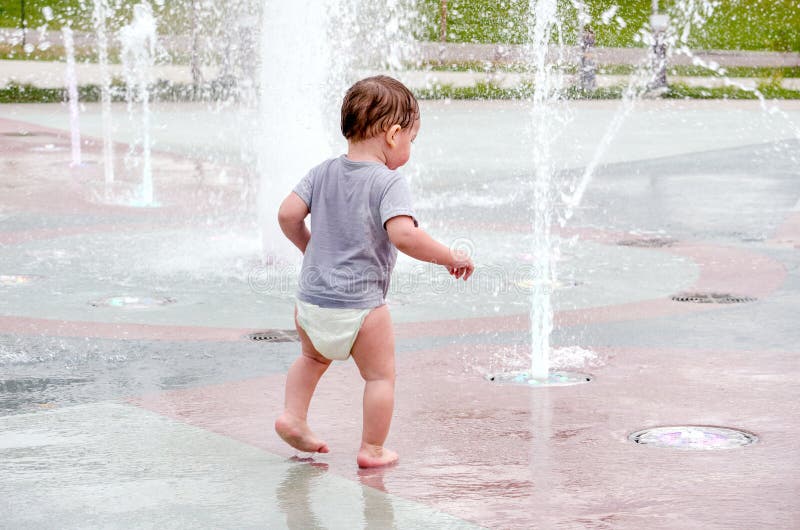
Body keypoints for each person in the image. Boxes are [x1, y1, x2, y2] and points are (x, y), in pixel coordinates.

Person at [274, 75, 474, 468]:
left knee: (312, 359)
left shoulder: (322, 171)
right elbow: (404, 235)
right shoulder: (388, 182)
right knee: (380, 378)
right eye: (412, 140)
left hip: (311, 302)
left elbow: (287, 214)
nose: (410, 148)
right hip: (362, 307)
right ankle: (372, 448)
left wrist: (310, 249)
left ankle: (292, 416)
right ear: (394, 134)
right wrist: (450, 256)